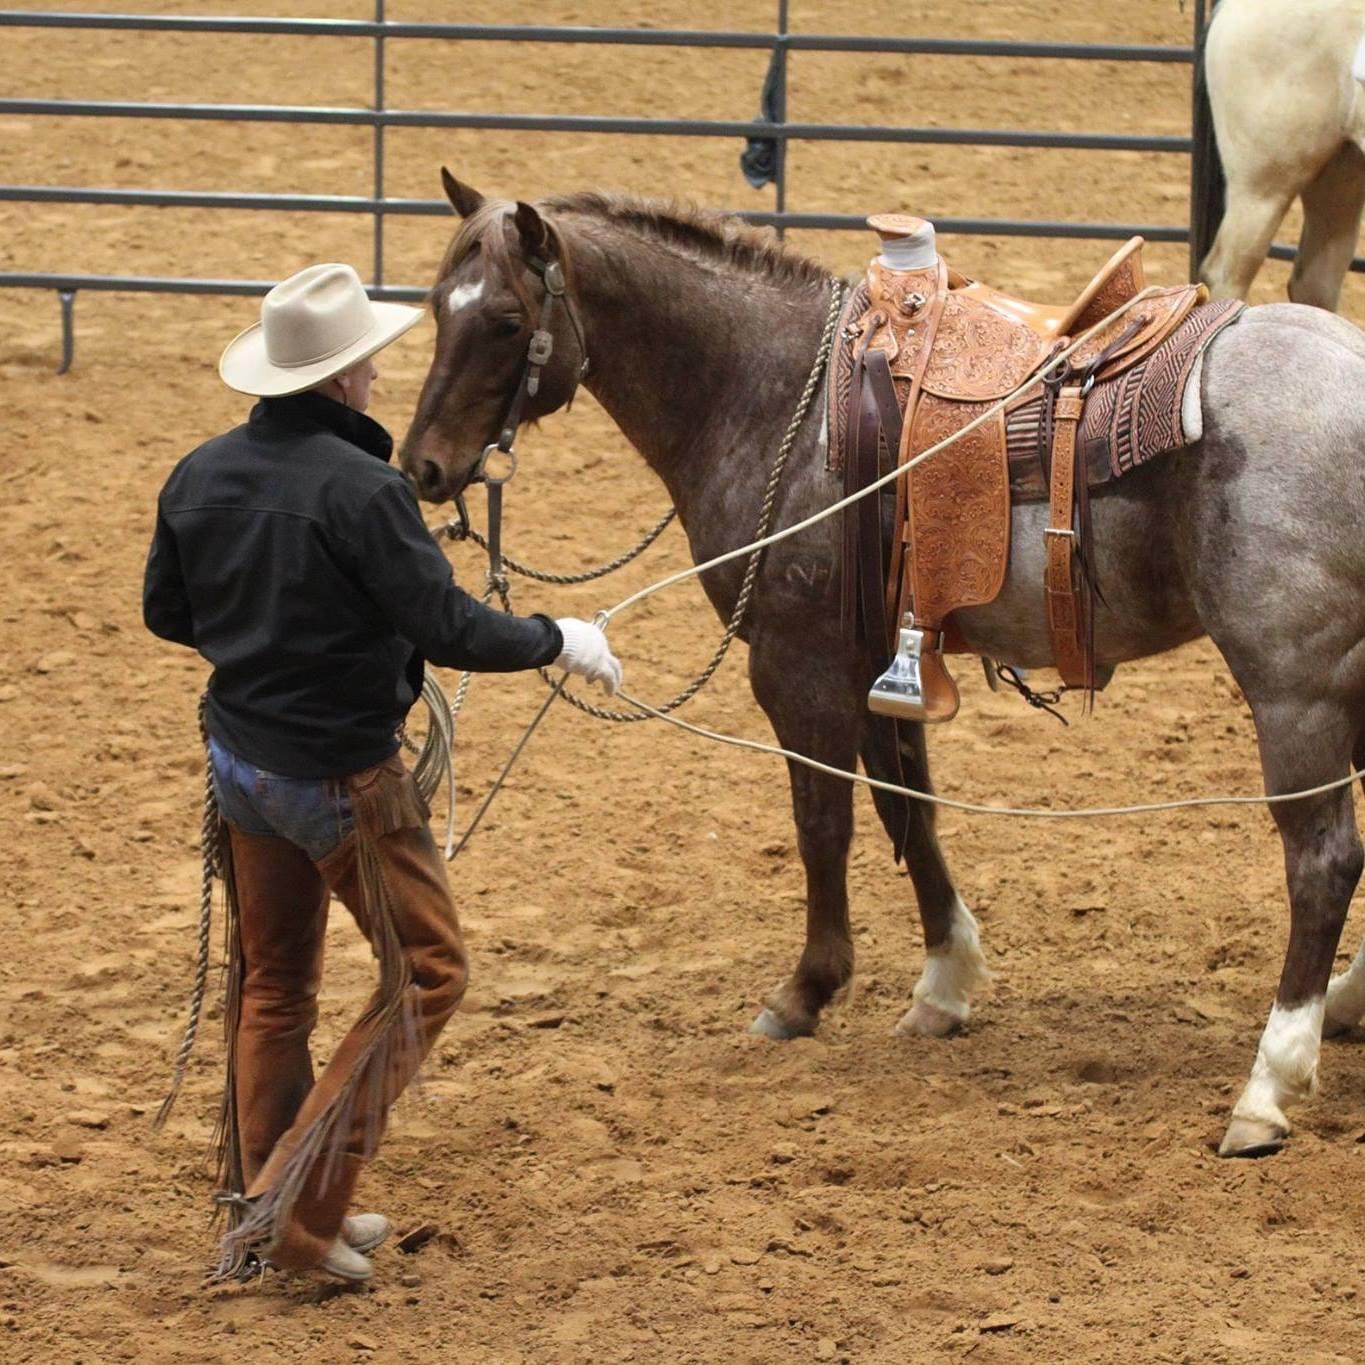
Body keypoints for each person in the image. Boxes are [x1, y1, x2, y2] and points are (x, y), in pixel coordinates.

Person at [142, 262, 622, 1283]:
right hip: (341, 780)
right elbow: (449, 627)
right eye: (365, 362)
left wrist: (269, 643)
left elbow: (168, 614)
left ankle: (261, 1196)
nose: (375, 375)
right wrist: (558, 637)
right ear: (341, 376)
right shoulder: (364, 490)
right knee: (428, 972)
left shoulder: (197, 473)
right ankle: (300, 1210)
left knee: (275, 984)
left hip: (243, 765)